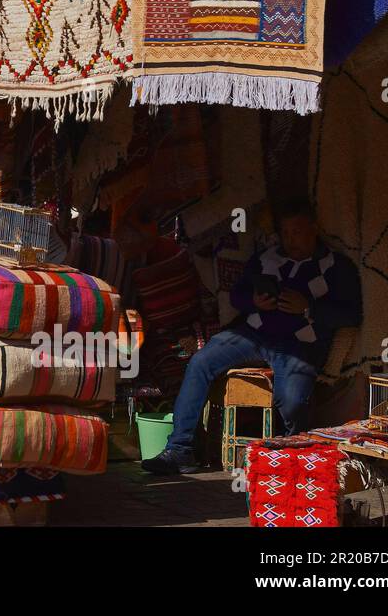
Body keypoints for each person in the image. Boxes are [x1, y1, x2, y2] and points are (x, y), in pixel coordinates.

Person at [142, 199, 363, 475]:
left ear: (314, 229)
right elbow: (238, 295)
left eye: (297, 232)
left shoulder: (335, 266)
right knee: (201, 362)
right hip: (253, 334)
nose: (290, 239)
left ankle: (290, 452)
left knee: (293, 400)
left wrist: (308, 307)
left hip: (298, 345)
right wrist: (255, 301)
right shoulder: (267, 258)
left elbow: (351, 315)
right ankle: (180, 449)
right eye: (285, 233)